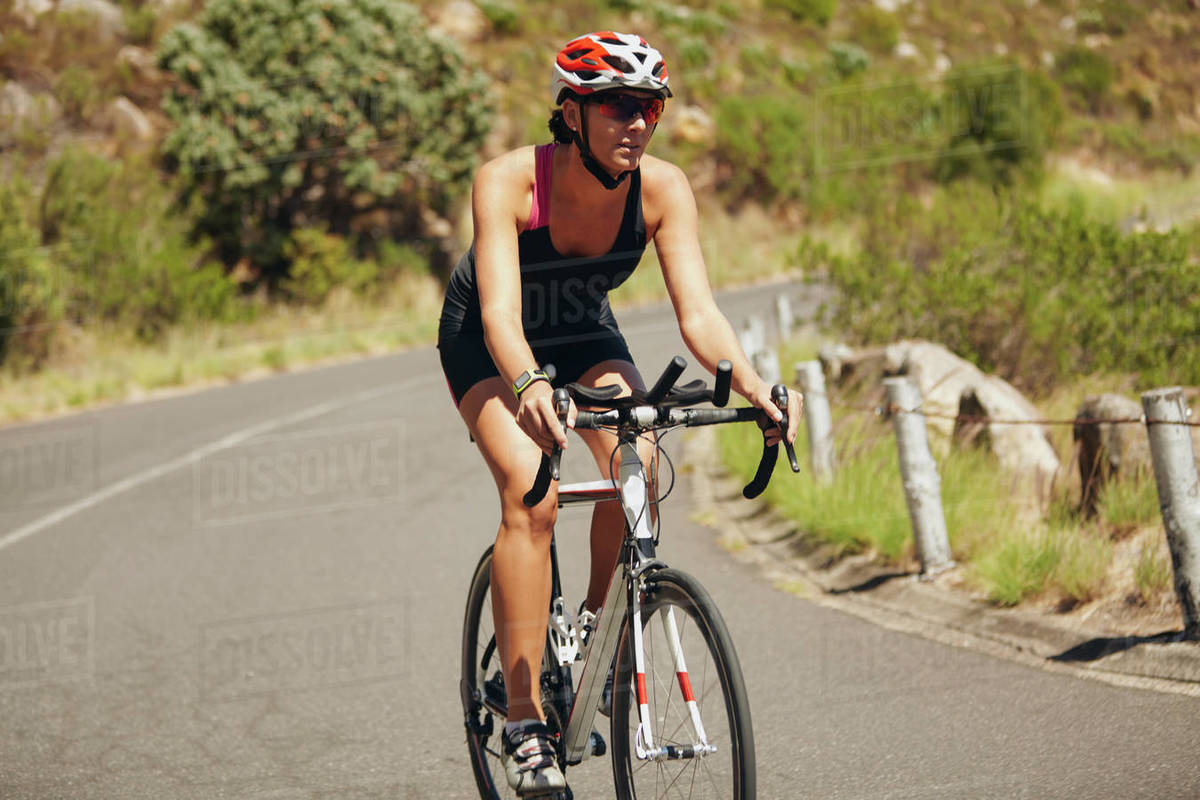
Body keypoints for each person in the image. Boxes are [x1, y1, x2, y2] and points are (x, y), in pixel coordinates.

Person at [438, 30, 802, 796]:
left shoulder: (663, 189)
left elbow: (699, 315)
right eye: (618, 107)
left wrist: (758, 388)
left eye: (650, 109)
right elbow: (503, 314)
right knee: (530, 490)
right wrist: (531, 384)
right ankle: (527, 722)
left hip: (582, 330)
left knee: (637, 469)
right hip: (490, 338)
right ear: (572, 113)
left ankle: (595, 637)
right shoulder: (508, 182)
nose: (637, 123)